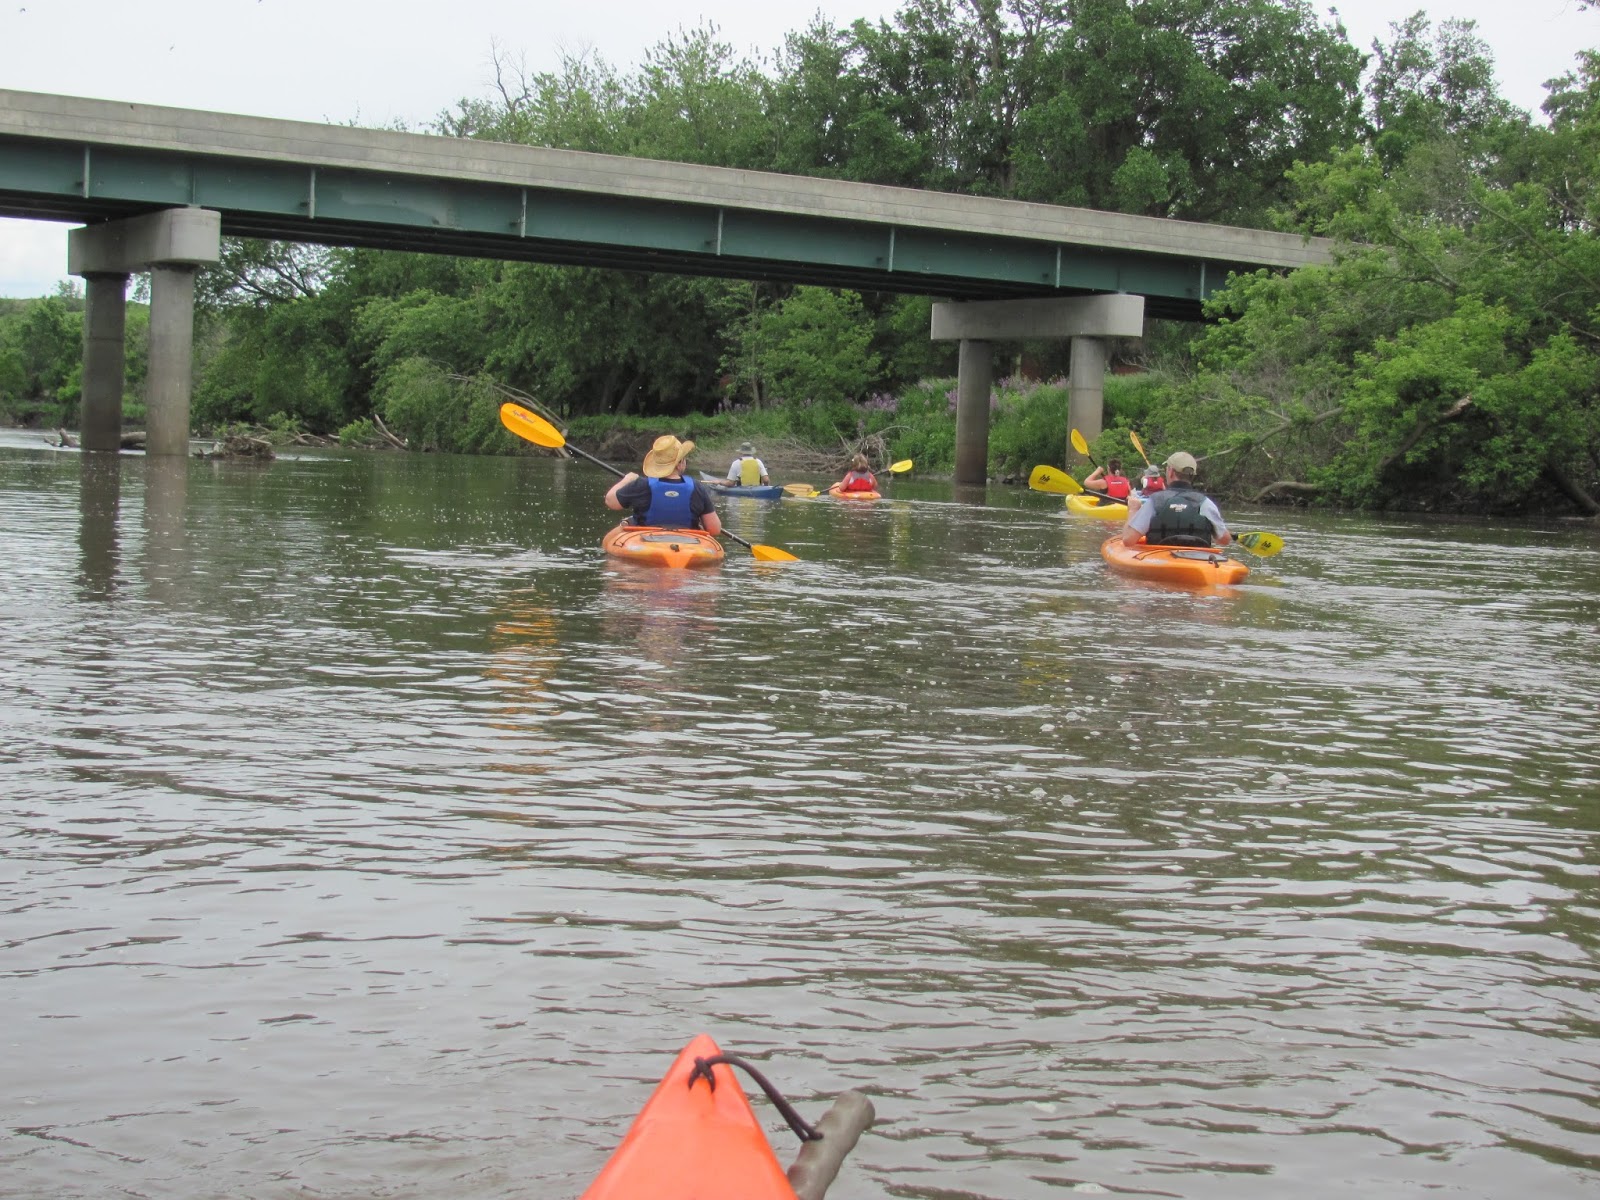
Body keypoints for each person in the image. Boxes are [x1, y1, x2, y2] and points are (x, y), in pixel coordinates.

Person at [605, 435, 723, 535]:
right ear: (680, 463)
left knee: (612, 536)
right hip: (687, 543)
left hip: (646, 540)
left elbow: (611, 501)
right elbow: (714, 529)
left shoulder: (641, 485)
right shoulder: (697, 488)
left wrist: (627, 479)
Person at [1121, 451, 1230, 549]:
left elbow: (1128, 540)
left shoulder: (1155, 501)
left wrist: (1133, 510)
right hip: (1196, 561)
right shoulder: (1205, 503)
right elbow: (1224, 540)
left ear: (1171, 472)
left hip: (1159, 561)